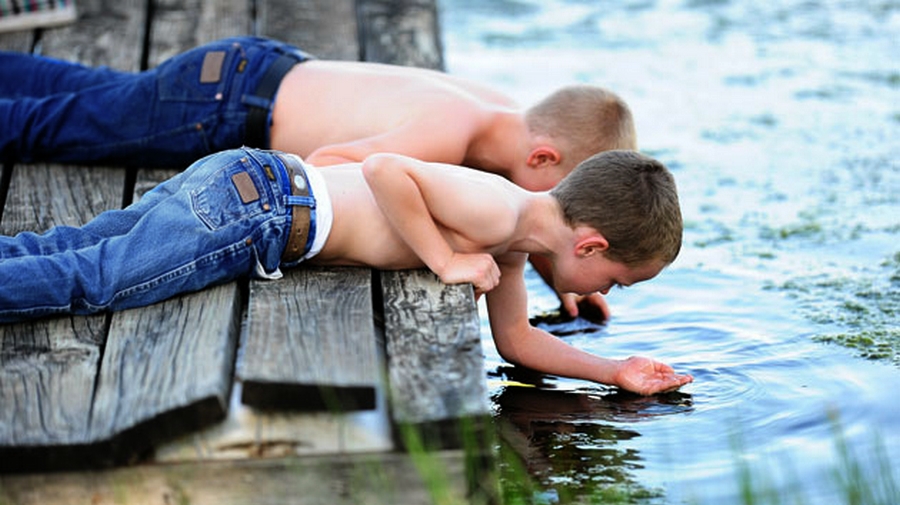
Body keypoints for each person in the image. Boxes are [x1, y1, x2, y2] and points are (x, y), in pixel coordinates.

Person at [0, 36, 636, 318]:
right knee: (47, 128)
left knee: (78, 101)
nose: (550, 200)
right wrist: (434, 252)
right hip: (226, 111)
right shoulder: (450, 134)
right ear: (546, 159)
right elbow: (336, 166)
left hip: (248, 78)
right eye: (557, 189)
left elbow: (513, 215)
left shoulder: (493, 110)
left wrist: (556, 265)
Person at [0, 147, 692, 395]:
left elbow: (516, 343)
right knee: (97, 282)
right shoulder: (497, 209)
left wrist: (614, 371)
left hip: (255, 183)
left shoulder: (512, 237)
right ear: (593, 246)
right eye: (617, 282)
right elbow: (388, 170)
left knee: (78, 247)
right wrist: (443, 258)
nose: (605, 294)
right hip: (261, 213)